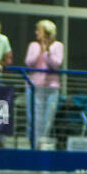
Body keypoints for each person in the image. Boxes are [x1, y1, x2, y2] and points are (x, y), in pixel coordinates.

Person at [25, 19, 64, 147]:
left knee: (47, 118)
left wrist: (47, 51)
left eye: (39, 30)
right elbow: (29, 63)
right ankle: (33, 144)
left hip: (51, 87)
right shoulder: (33, 45)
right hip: (34, 86)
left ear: (47, 32)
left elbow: (56, 64)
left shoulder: (58, 46)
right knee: (35, 118)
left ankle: (42, 143)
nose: (36, 33)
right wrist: (41, 50)